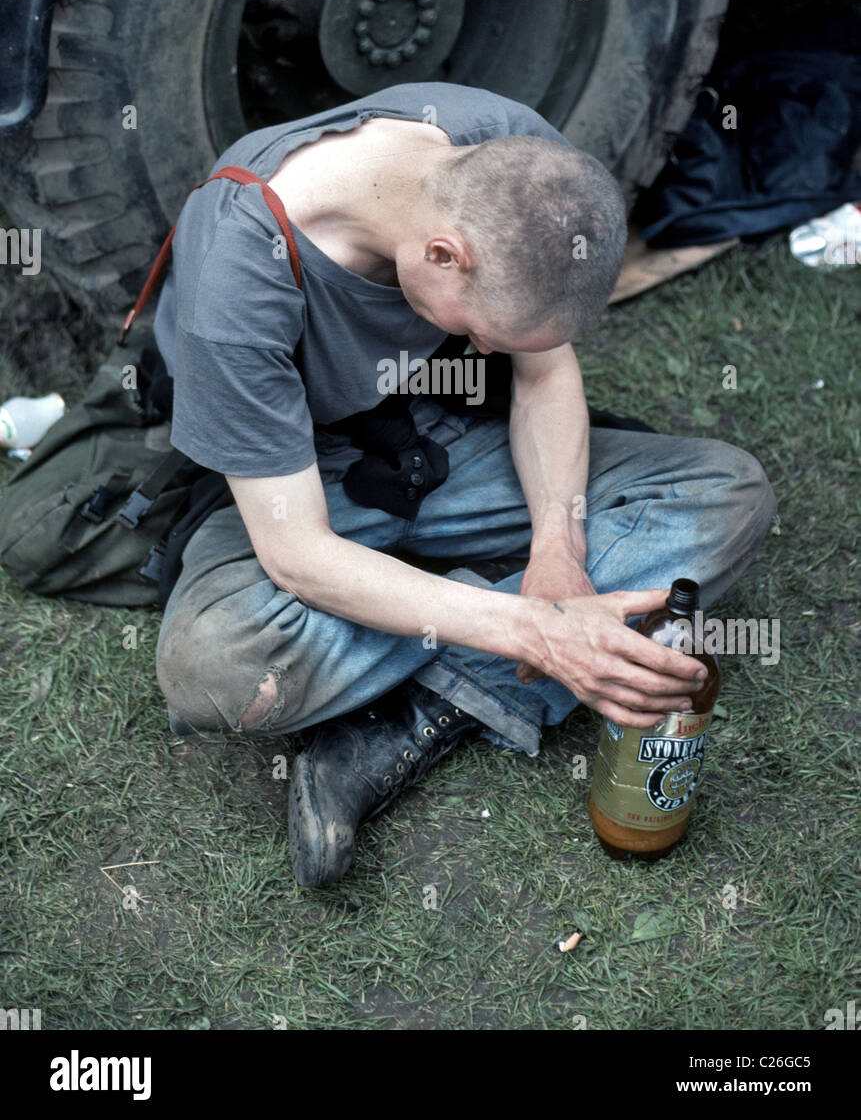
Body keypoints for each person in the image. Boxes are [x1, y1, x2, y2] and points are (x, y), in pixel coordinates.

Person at [151, 82, 777, 886]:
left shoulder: (513, 159)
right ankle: (482, 623)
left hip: (432, 442)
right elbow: (299, 554)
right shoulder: (235, 277)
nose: (478, 350)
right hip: (297, 476)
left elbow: (544, 376)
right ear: (443, 255)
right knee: (217, 668)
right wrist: (531, 628)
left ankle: (410, 713)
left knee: (727, 494)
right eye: (476, 333)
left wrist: (557, 549)